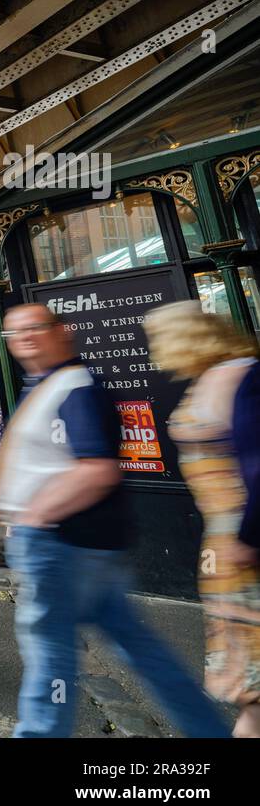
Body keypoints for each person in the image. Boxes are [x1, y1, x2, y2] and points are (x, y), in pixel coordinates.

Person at [0, 303, 229, 738]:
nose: (25, 338)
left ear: (61, 331)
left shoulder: (76, 386)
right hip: (85, 545)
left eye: (36, 328)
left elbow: (97, 469)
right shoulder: (46, 384)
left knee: (49, 656)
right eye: (14, 334)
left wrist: (35, 516)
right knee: (141, 651)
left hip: (62, 543)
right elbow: (48, 462)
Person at [146, 301, 260, 737]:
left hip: (242, 537)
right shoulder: (214, 379)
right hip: (225, 541)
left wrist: (249, 537)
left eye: (161, 338)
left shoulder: (240, 376)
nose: (157, 349)